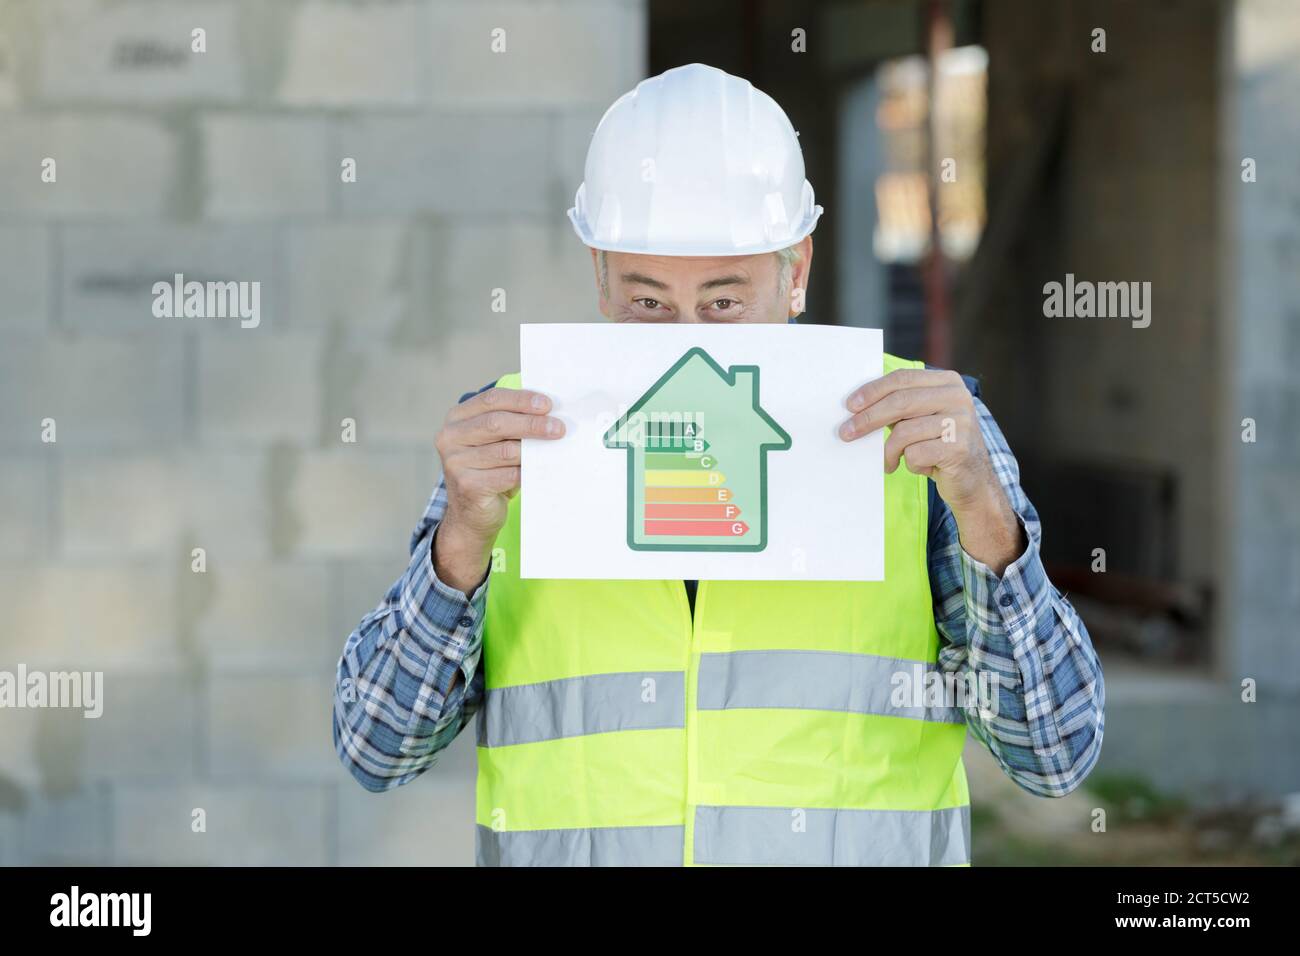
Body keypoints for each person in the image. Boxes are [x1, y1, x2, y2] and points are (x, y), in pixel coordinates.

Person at [332, 63, 1104, 866]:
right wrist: (459, 545)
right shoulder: (515, 438)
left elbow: (1055, 753)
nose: (685, 339)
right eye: (649, 302)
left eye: (724, 303)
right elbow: (376, 747)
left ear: (795, 272)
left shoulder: (928, 438)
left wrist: (984, 514)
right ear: (600, 274)